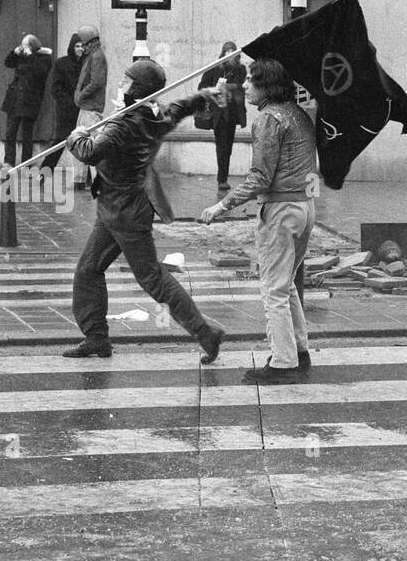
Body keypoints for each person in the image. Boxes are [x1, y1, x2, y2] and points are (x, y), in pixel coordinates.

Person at [63, 59, 226, 364]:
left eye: (126, 81)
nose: (121, 84)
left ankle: (206, 333)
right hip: (117, 208)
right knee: (89, 270)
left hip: (124, 212)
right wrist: (206, 95)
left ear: (136, 88)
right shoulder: (156, 115)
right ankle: (96, 338)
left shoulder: (124, 124)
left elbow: (91, 152)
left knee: (152, 277)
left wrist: (76, 136)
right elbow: (182, 106)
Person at [199, 58, 317, 384]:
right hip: (305, 208)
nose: (245, 86)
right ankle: (299, 350)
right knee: (287, 283)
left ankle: (283, 362)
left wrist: (221, 205)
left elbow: (260, 177)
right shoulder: (298, 114)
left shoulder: (268, 119)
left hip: (280, 211)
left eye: (251, 80)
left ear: (267, 86)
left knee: (273, 290)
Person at [197, 41, 248, 194]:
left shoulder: (241, 70)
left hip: (232, 113)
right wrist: (215, 90)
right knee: (222, 146)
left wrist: (231, 87)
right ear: (223, 53)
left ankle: (223, 177)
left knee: (228, 146)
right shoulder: (215, 68)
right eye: (227, 52)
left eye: (232, 52)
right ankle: (222, 180)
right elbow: (202, 88)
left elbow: (243, 87)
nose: (229, 55)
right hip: (219, 113)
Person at [1, 33, 53, 167]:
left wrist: (31, 56)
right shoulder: (21, 56)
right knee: (10, 133)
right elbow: (8, 63)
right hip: (15, 99)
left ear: (33, 46)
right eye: (22, 45)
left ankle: (26, 164)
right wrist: (14, 52)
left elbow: (40, 73)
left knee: (27, 135)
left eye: (26, 45)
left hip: (30, 100)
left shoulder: (43, 58)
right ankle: (9, 162)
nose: (23, 48)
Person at [43, 33, 84, 175]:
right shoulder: (61, 63)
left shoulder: (86, 64)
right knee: (59, 141)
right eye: (77, 46)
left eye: (82, 46)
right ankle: (44, 173)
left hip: (81, 109)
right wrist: (69, 102)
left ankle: (83, 178)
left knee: (84, 142)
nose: (80, 49)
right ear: (72, 48)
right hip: (65, 110)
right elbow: (55, 88)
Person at [73, 25, 108, 190]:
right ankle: (82, 179)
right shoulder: (94, 55)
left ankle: (93, 181)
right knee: (85, 142)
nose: (82, 46)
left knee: (88, 144)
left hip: (90, 107)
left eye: (83, 43)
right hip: (89, 106)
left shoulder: (96, 57)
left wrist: (81, 95)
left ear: (88, 42)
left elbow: (96, 82)